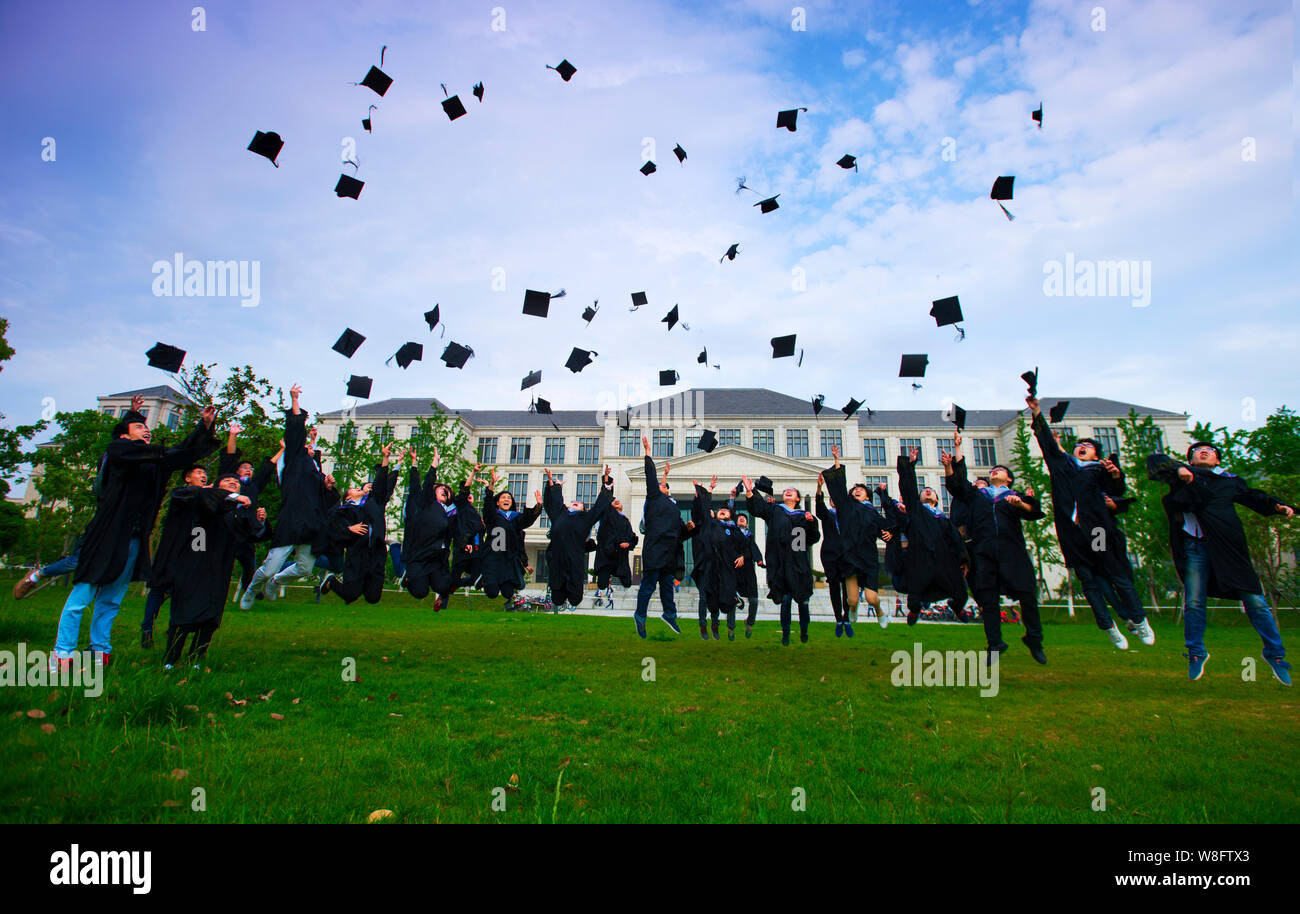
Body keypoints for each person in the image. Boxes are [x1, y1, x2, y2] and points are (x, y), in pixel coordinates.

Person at [49, 395, 219, 670]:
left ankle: (99, 650)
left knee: (112, 599)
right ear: (125, 434)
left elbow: (180, 453)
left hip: (133, 540)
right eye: (140, 427)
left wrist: (204, 426)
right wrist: (131, 415)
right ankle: (63, 653)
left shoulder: (151, 462)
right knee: (82, 597)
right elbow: (159, 451)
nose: (146, 430)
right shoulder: (119, 451)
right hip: (106, 536)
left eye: (146, 428)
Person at [1149, 442, 1295, 683]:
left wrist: (1276, 506)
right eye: (1197, 450)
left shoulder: (1229, 481)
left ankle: (1275, 655)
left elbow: (1253, 496)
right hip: (1195, 548)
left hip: (1229, 548)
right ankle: (1196, 653)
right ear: (1190, 459)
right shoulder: (1180, 477)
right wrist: (1180, 470)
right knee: (1194, 602)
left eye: (1211, 450)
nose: (1204, 451)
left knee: (1256, 602)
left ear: (1218, 461)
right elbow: (1155, 461)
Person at [1027, 395, 1154, 650]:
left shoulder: (1099, 469)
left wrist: (1116, 476)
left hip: (1096, 529)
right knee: (1090, 583)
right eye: (1079, 444)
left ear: (1097, 453)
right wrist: (1037, 411)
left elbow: (1116, 491)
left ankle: (1138, 619)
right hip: (1072, 534)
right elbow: (1048, 445)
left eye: (1088, 445)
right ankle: (1109, 627)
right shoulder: (1063, 466)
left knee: (1114, 576)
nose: (1082, 446)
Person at [942, 433, 1047, 664]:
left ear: (1009, 480)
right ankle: (995, 644)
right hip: (984, 553)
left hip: (1012, 552)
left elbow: (1034, 512)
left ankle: (1034, 638)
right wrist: (954, 456)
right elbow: (959, 485)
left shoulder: (1014, 496)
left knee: (1027, 595)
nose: (995, 471)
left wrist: (1021, 503)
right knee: (988, 600)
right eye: (993, 470)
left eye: (1000, 470)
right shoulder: (980, 496)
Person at [240, 385, 338, 610]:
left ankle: (276, 582)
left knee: (304, 568)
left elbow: (319, 483)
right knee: (270, 566)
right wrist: (295, 400)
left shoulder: (314, 467)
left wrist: (327, 485)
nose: (310, 447)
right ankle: (252, 589)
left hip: (311, 522)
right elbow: (295, 433)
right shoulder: (293, 460)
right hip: (292, 519)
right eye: (307, 445)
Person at [160, 475, 263, 669]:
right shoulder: (205, 501)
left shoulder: (238, 513)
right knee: (185, 612)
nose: (234, 483)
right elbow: (203, 509)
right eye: (227, 481)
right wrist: (231, 497)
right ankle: (171, 658)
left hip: (220, 570)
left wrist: (259, 522)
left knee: (211, 615)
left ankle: (197, 658)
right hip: (195, 566)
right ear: (215, 488)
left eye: (237, 483)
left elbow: (251, 537)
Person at [879, 451, 970, 633]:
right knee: (915, 594)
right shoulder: (917, 512)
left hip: (943, 557)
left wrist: (963, 559)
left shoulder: (943, 518)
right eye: (925, 491)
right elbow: (909, 491)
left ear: (937, 499)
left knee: (960, 592)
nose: (928, 491)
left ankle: (956, 605)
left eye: (932, 491)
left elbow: (956, 539)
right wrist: (910, 466)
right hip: (921, 555)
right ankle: (914, 610)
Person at [141, 461, 213, 649]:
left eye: (204, 473)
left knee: (183, 591)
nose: (203, 475)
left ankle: (174, 627)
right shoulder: (181, 493)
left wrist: (200, 555)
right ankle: (147, 628)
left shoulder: (206, 499)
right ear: (188, 478)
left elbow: (202, 530)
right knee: (158, 590)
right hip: (172, 549)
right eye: (198, 472)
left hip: (192, 549)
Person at [741, 474, 820, 645]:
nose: (788, 492)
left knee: (803, 602)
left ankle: (804, 630)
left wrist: (812, 523)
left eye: (792, 491)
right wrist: (750, 492)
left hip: (798, 563)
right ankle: (785, 633)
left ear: (798, 498)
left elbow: (813, 539)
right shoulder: (776, 510)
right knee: (785, 600)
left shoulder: (803, 516)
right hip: (780, 563)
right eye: (785, 492)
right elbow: (758, 508)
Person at [318, 444, 399, 605]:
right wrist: (349, 528)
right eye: (354, 489)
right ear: (348, 497)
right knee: (350, 595)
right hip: (358, 554)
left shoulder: (373, 502)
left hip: (376, 552)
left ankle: (363, 586)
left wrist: (385, 459)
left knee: (373, 597)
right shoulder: (346, 510)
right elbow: (333, 526)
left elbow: (382, 485)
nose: (358, 489)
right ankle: (332, 580)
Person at [823, 446, 887, 627]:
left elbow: (884, 528)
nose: (856, 490)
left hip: (867, 558)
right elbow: (839, 487)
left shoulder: (873, 513)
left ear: (867, 494)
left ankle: (880, 611)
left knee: (871, 596)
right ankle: (852, 609)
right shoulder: (846, 508)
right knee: (851, 600)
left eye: (861, 489)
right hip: (850, 557)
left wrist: (889, 533)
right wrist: (837, 460)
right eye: (854, 489)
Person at [633, 436, 685, 638]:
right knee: (648, 584)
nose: (663, 487)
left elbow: (680, 529)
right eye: (661, 486)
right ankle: (640, 615)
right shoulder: (654, 498)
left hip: (670, 552)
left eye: (665, 486)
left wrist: (689, 527)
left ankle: (669, 614)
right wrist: (648, 453)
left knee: (667, 586)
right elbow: (651, 478)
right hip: (655, 548)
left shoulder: (674, 508)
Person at [542, 465, 613, 610]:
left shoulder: (586, 518)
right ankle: (559, 593)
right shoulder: (560, 514)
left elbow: (599, 508)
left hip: (574, 558)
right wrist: (552, 484)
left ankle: (573, 593)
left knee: (575, 599)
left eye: (579, 503)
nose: (576, 502)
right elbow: (552, 503)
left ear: (583, 509)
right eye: (573, 502)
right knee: (557, 597)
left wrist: (606, 487)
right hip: (558, 559)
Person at [223, 424, 277, 604]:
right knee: (222, 564)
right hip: (227, 530)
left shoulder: (252, 487)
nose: (248, 470)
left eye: (250, 468)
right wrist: (233, 435)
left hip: (245, 534)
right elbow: (229, 458)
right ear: (237, 472)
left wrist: (283, 448)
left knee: (249, 566)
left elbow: (267, 469)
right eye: (245, 467)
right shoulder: (229, 482)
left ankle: (250, 590)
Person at [689, 476, 748, 640]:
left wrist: (742, 556)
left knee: (715, 597)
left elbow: (743, 544)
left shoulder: (732, 530)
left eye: (727, 511)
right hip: (706, 565)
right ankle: (702, 624)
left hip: (722, 569)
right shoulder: (710, 524)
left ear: (731, 516)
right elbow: (703, 509)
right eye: (720, 510)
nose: (723, 511)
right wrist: (708, 491)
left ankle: (715, 625)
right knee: (703, 596)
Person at [400, 447, 458, 609]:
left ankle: (440, 593)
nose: (446, 491)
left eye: (448, 492)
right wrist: (433, 463)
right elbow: (424, 484)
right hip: (420, 554)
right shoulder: (428, 503)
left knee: (444, 586)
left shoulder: (449, 513)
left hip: (436, 557)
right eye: (442, 489)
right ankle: (407, 577)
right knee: (420, 592)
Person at [481, 469, 543, 606]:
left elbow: (528, 520)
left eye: (509, 498)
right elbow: (487, 507)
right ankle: (482, 579)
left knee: (508, 592)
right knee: (491, 592)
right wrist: (490, 486)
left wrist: (538, 506)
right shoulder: (493, 516)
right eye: (503, 498)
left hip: (508, 559)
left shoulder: (515, 518)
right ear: (497, 502)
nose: (506, 499)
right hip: (493, 557)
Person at [814, 473, 852, 637]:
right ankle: (838, 619)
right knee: (835, 587)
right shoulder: (827, 514)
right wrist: (819, 487)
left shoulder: (849, 516)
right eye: (833, 499)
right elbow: (819, 507)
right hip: (830, 553)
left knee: (847, 587)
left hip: (847, 554)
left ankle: (847, 618)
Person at [592, 494, 638, 608]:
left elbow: (633, 537)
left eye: (619, 502)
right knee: (602, 583)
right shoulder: (605, 518)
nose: (617, 501)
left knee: (627, 582)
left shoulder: (626, 521)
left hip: (620, 556)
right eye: (614, 502)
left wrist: (628, 544)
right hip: (607, 554)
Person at [450, 466, 487, 591]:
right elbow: (465, 490)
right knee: (454, 577)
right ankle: (447, 590)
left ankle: (456, 585)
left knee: (476, 578)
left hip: (477, 550)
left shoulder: (474, 512)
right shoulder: (460, 506)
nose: (469, 495)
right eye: (468, 494)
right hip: (464, 547)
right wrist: (473, 472)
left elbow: (480, 530)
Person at [733, 511, 764, 638]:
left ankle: (750, 622)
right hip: (735, 569)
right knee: (734, 598)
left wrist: (759, 560)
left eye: (744, 518)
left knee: (754, 601)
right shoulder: (732, 535)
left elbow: (754, 549)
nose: (741, 519)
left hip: (748, 571)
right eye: (739, 518)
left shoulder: (749, 536)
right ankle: (731, 626)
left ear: (747, 523)